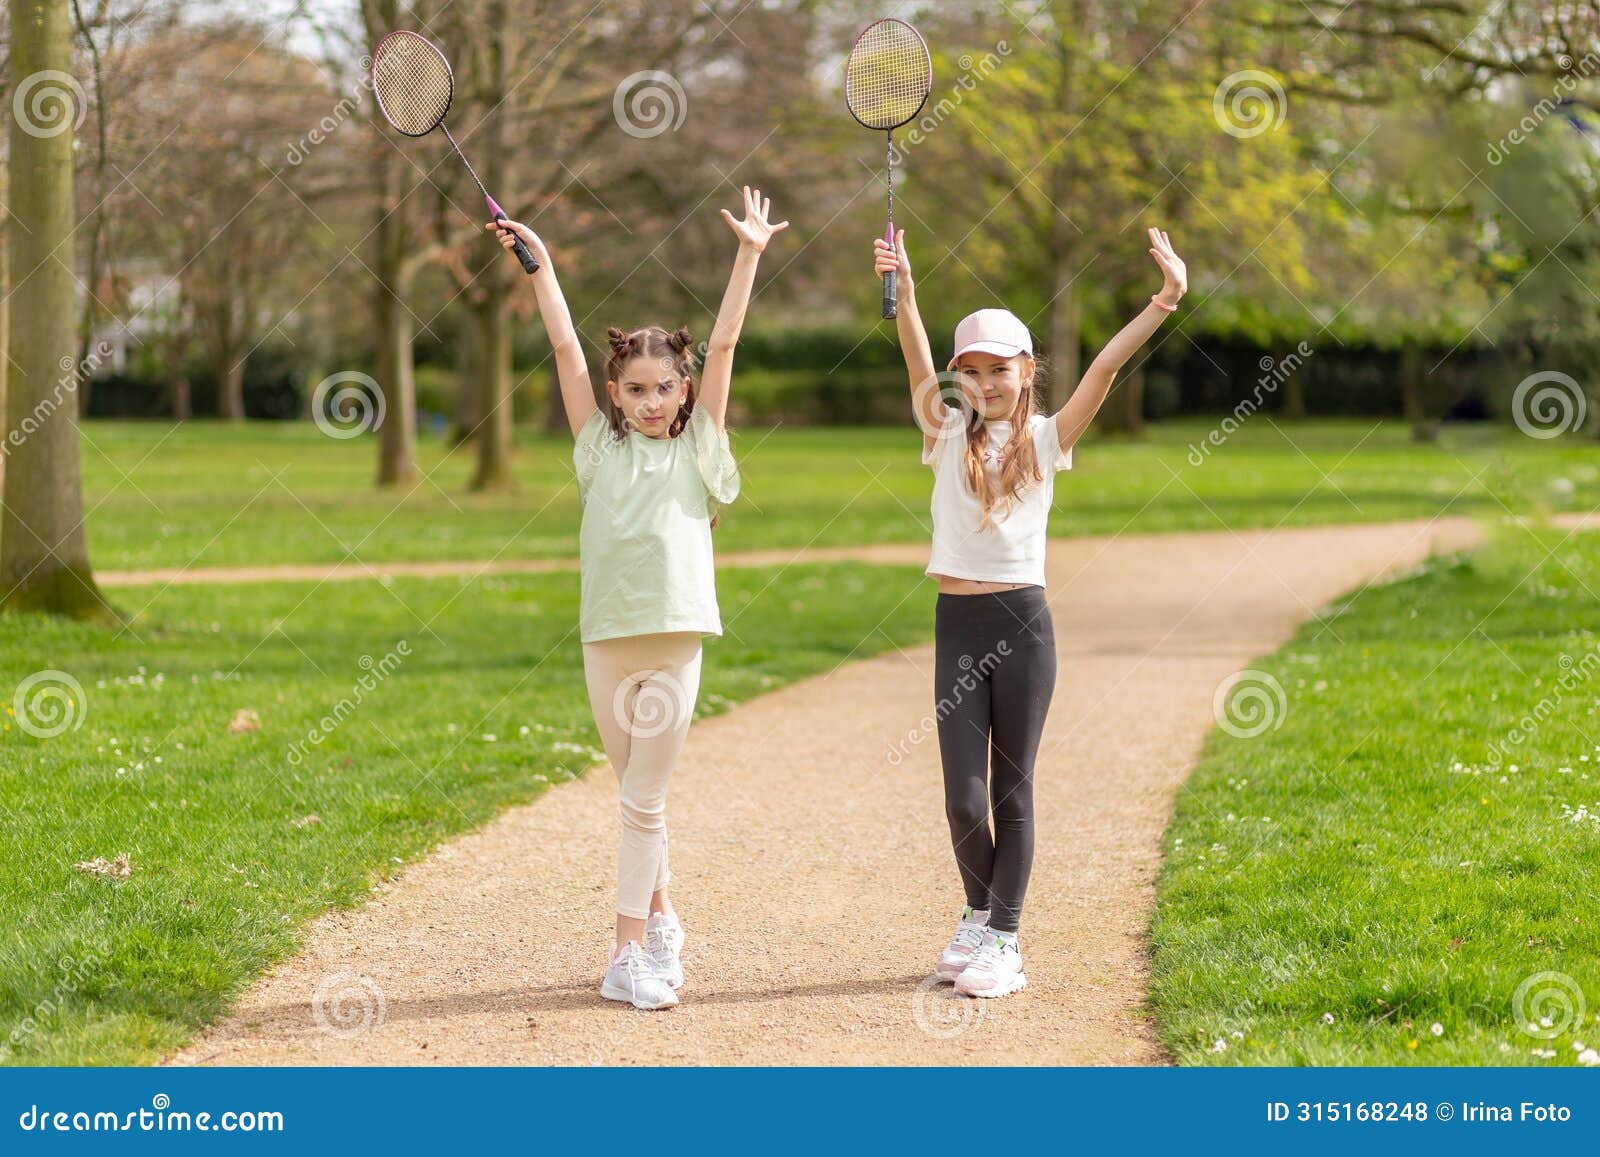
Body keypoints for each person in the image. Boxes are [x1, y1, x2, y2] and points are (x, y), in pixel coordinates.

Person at [490, 186, 788, 1009]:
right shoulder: (596, 450)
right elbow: (562, 348)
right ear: (617, 394)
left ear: (685, 390)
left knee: (641, 799)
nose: (652, 400)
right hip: (603, 643)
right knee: (635, 802)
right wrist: (541, 266)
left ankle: (627, 957)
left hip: (672, 641)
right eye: (637, 389)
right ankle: (661, 919)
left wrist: (748, 255)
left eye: (666, 387)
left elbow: (725, 343)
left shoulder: (699, 447)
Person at [873, 224, 1187, 998]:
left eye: (999, 368)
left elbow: (1107, 367)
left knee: (1012, 790)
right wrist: (907, 292)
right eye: (970, 370)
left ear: (1026, 369)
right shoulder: (944, 434)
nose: (984, 382)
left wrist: (1165, 300)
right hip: (958, 624)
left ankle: (1005, 941)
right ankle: (981, 914)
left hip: (1022, 626)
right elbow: (914, 354)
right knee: (962, 796)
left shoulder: (1047, 438)